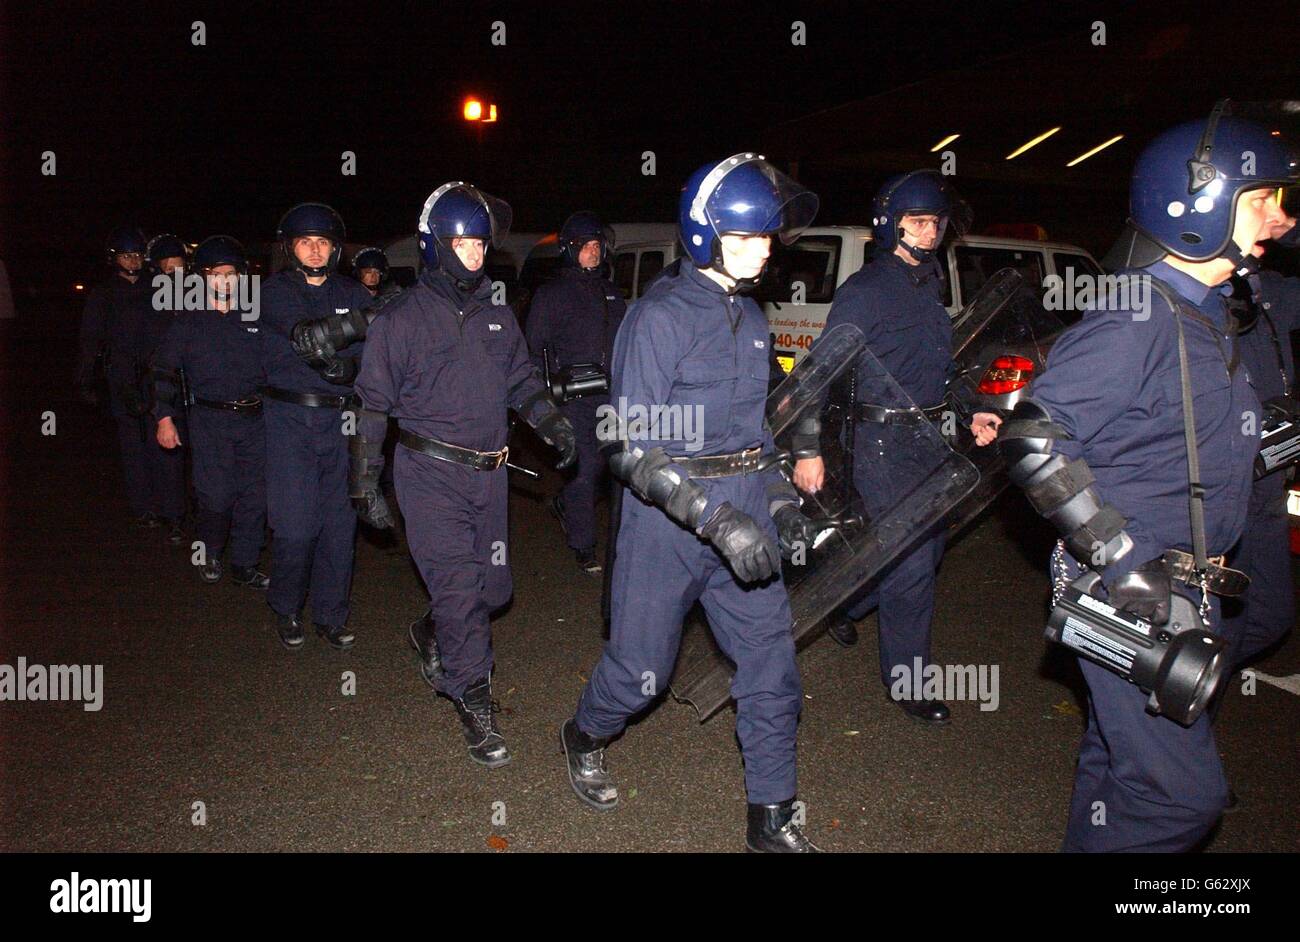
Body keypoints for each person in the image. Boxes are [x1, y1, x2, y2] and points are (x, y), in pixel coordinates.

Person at [999, 107, 1294, 851]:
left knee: (1117, 767)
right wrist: (1122, 562)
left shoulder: (1208, 315)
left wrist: (1261, 443)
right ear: (1199, 204)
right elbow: (1034, 439)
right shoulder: (1141, 317)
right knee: (1180, 801)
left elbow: (1167, 444)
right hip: (1134, 587)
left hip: (1184, 582)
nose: (1282, 217)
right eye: (1263, 199)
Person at [561, 154, 824, 852]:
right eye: (744, 239)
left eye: (766, 238)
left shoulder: (754, 318)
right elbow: (629, 447)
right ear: (705, 236)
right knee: (640, 675)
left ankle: (771, 820)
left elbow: (755, 439)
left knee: (773, 668)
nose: (762, 252)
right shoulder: (658, 319)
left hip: (740, 503)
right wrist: (714, 519)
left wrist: (780, 501)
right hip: (667, 522)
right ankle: (583, 731)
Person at [348, 182, 576, 767]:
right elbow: (371, 405)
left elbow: (523, 383)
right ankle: (473, 699)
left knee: (493, 590)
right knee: (460, 593)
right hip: (429, 475)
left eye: (481, 244)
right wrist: (365, 481)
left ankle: (434, 630)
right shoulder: (399, 319)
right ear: (436, 247)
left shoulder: (498, 317)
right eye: (464, 243)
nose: (476, 254)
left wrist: (552, 425)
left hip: (490, 478)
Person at [794, 170, 1001, 726]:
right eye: (918, 221)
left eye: (936, 222)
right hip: (881, 442)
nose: (930, 232)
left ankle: (849, 602)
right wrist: (807, 448)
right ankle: (908, 682)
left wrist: (972, 406)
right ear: (891, 226)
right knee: (912, 563)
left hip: (931, 440)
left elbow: (942, 366)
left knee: (925, 552)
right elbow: (818, 372)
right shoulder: (864, 293)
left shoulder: (929, 286)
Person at [260, 203, 374, 650]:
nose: (314, 250)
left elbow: (377, 351)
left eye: (322, 242)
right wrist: (357, 330)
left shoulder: (353, 292)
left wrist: (353, 371)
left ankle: (330, 613)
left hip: (342, 421)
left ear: (335, 249)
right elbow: (309, 335)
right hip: (290, 420)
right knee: (295, 526)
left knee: (339, 526)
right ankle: (287, 607)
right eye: (305, 242)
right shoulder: (272, 293)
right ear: (290, 248)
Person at [154, 236, 269, 588]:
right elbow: (163, 369)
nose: (223, 280)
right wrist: (163, 417)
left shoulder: (257, 316)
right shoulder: (188, 320)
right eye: (215, 274)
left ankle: (245, 563)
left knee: (255, 495)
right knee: (216, 495)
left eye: (230, 273)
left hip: (256, 419)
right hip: (209, 421)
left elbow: (280, 364)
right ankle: (209, 553)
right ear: (202, 278)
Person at [525, 211, 626, 573]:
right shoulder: (550, 296)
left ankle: (569, 507)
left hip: (612, 398)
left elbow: (630, 344)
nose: (594, 253)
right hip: (571, 400)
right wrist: (541, 403)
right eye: (586, 247)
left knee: (616, 470)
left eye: (598, 246)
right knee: (583, 473)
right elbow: (532, 350)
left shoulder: (612, 293)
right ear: (570, 249)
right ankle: (584, 545)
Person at [78, 225, 184, 536]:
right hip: (122, 379)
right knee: (133, 448)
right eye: (127, 256)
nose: (133, 261)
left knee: (165, 446)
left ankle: (173, 512)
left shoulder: (160, 288)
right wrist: (85, 379)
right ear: (114, 258)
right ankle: (145, 508)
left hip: (159, 379)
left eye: (137, 255)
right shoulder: (103, 294)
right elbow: (90, 339)